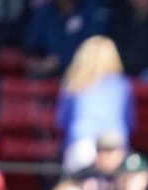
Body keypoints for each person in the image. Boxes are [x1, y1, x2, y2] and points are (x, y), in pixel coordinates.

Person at [55, 37, 133, 174]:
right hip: (114, 146)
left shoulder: (73, 82)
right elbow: (130, 123)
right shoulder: (122, 84)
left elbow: (61, 121)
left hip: (83, 146)